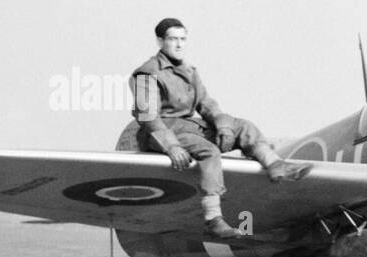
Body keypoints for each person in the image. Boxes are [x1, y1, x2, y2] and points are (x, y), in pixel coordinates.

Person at [129, 18, 310, 238]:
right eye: (172, 39)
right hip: (163, 132)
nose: (179, 44)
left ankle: (276, 167)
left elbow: (206, 104)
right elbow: (148, 117)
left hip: (190, 127)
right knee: (209, 151)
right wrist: (172, 147)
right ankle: (213, 219)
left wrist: (224, 126)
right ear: (160, 41)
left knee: (244, 127)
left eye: (183, 39)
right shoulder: (146, 73)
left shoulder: (189, 71)